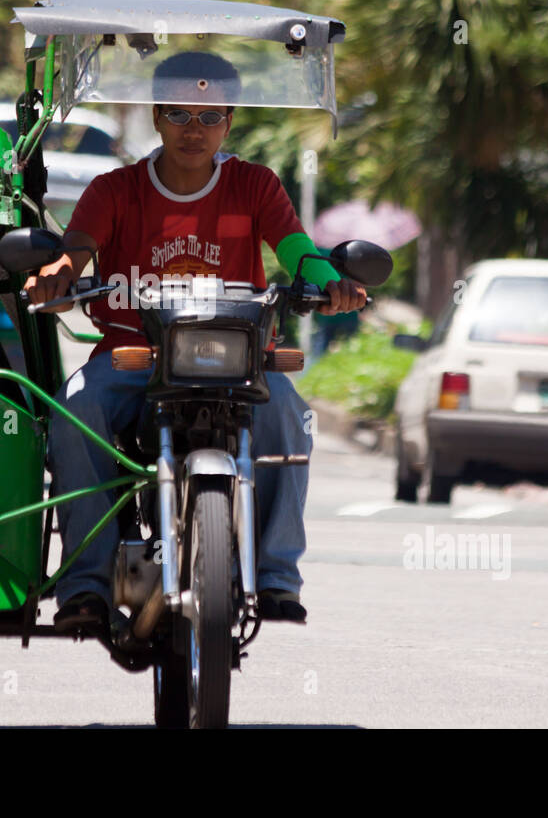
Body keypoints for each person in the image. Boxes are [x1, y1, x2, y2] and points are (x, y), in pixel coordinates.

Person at [25, 52, 366, 631]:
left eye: (210, 115)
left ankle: (278, 575)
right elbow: (75, 248)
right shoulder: (115, 189)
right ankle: (85, 587)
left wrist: (332, 282)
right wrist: (56, 271)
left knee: (290, 415)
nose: (194, 129)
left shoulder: (255, 185)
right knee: (74, 410)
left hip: (238, 362)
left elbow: (298, 251)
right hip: (136, 357)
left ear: (230, 121)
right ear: (157, 117)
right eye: (180, 112)